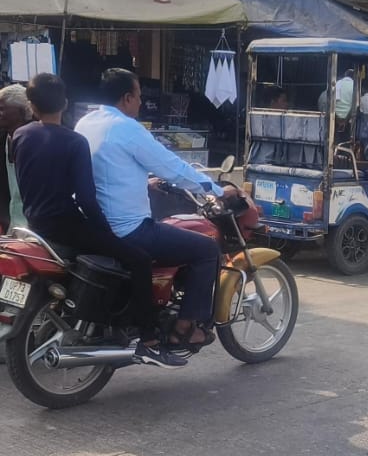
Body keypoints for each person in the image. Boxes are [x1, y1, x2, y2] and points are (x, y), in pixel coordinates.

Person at [11, 74, 185, 366]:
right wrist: (106, 232)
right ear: (65, 104)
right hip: (67, 226)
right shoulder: (74, 141)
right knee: (140, 260)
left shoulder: (20, 135)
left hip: (34, 224)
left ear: (32, 106)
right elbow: (88, 199)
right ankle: (149, 339)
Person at [75, 69, 238, 352]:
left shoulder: (86, 122)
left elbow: (107, 168)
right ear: (127, 98)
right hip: (128, 229)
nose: (140, 102)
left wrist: (145, 181)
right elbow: (172, 167)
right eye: (138, 96)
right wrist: (218, 190)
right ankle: (185, 329)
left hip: (93, 225)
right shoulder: (127, 128)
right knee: (207, 251)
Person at [0, 84, 32, 233]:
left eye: (2, 109)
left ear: (21, 111)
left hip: (32, 226)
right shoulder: (4, 138)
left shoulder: (35, 141)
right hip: (9, 222)